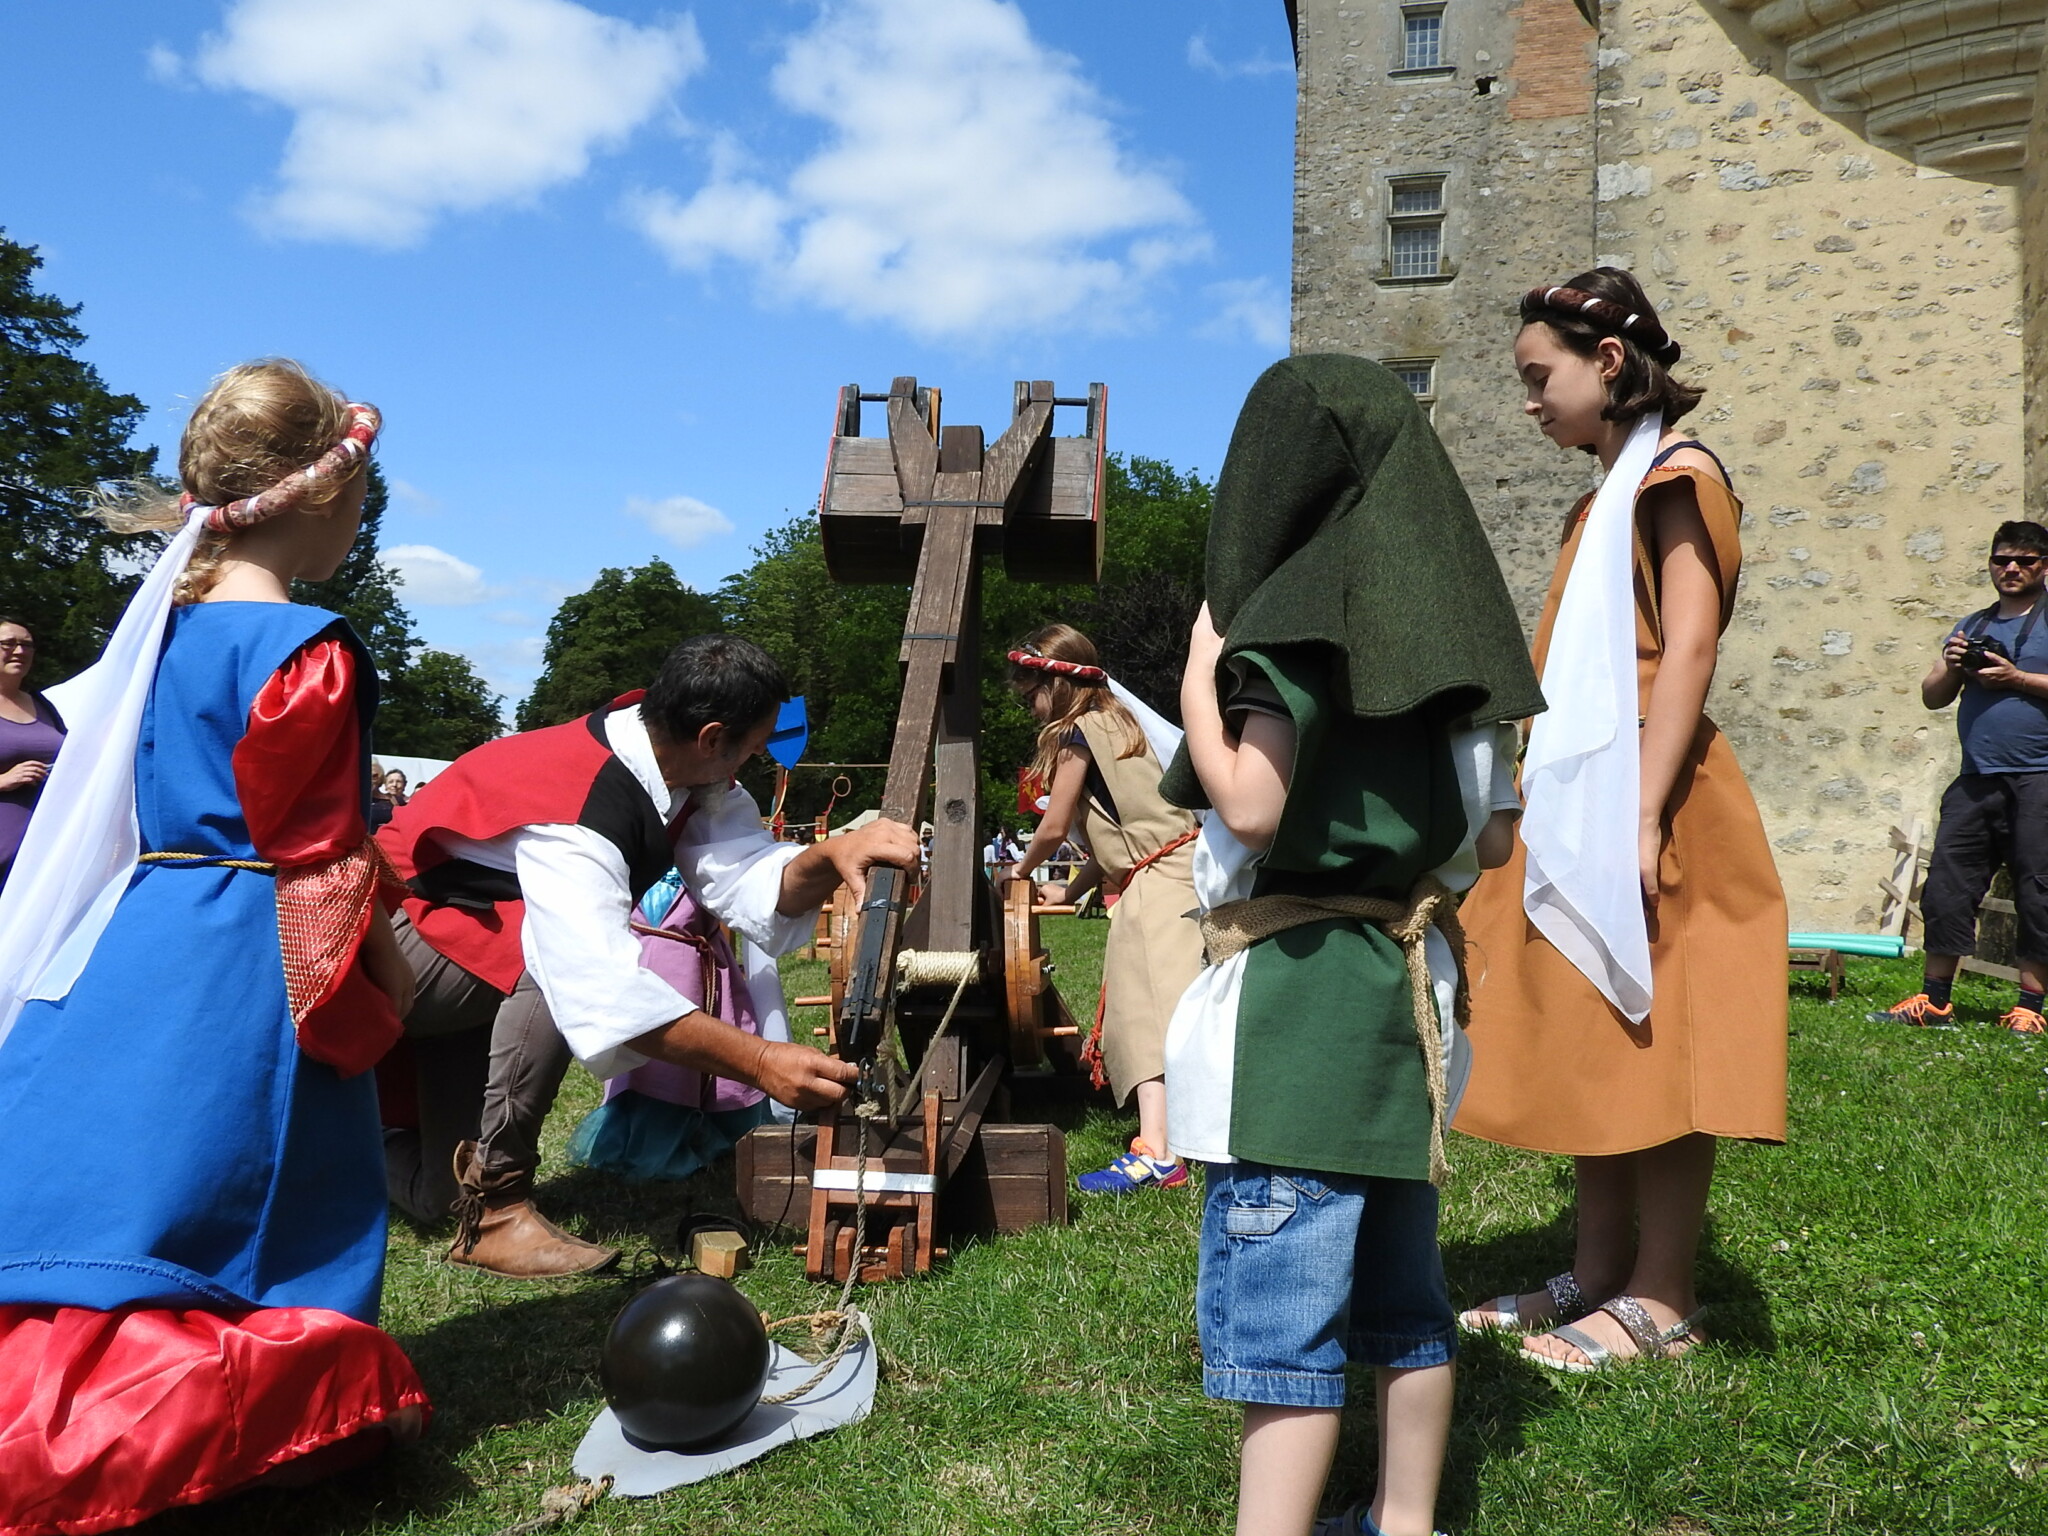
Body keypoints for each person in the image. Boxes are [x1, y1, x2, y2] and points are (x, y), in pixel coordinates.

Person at [0, 361, 427, 1525]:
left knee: (129, 1162)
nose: (360, 520)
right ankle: (269, 1404)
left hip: (142, 926)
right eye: (361, 499)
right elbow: (318, 847)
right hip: (253, 944)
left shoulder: (155, 636)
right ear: (321, 498)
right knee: (273, 1174)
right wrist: (380, 966)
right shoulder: (305, 645)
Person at [1162, 354, 1543, 1536]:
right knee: (1403, 1305)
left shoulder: (1294, 630)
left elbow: (1251, 807)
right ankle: (1403, 1520)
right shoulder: (1458, 657)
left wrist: (1198, 679)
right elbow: (1491, 842)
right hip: (1400, 1005)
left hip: (1296, 1021)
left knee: (1282, 1329)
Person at [1453, 269, 1788, 1372]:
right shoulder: (1598, 498)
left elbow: (1686, 646)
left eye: (1536, 376)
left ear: (1606, 362)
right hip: (1587, 786)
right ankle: (1597, 1274)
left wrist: (1641, 815)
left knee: (1656, 1037)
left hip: (1657, 791)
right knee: (1594, 1028)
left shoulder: (1677, 478)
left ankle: (1663, 1296)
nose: (1527, 401)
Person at [377, 633, 918, 1277]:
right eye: (753, 742)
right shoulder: (578, 809)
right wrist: (761, 1062)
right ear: (712, 738)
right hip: (393, 960)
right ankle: (497, 1205)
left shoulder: (678, 764)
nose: (758, 755)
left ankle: (354, 1144)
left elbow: (746, 879)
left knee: (442, 1196)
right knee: (554, 946)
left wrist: (828, 855)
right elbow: (597, 985)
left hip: (470, 950)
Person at [1006, 624, 1204, 1193]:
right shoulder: (1122, 720)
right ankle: (1182, 1138)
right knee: (1173, 1008)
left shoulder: (1077, 734)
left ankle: (1159, 1152)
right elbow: (1122, 835)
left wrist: (1018, 871)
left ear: (1055, 684)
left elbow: (1054, 827)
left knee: (1145, 1013)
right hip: (1175, 871)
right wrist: (1069, 892)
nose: (1030, 709)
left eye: (1030, 696)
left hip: (1158, 884)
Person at [1870, 520, 2048, 1034]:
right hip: (1976, 777)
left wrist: (2017, 678)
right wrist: (1951, 665)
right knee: (1947, 884)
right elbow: (1932, 696)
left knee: (2038, 889)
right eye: (2001, 559)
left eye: (2024, 560)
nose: (2011, 568)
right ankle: (1935, 1001)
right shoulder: (1973, 623)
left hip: (2039, 776)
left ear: (2043, 566)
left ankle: (2029, 1010)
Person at [0, 614, 64, 894]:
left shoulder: (43, 704)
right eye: (8, 643)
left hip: (44, 852)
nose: (19, 651)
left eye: (27, 645)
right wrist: (4, 780)